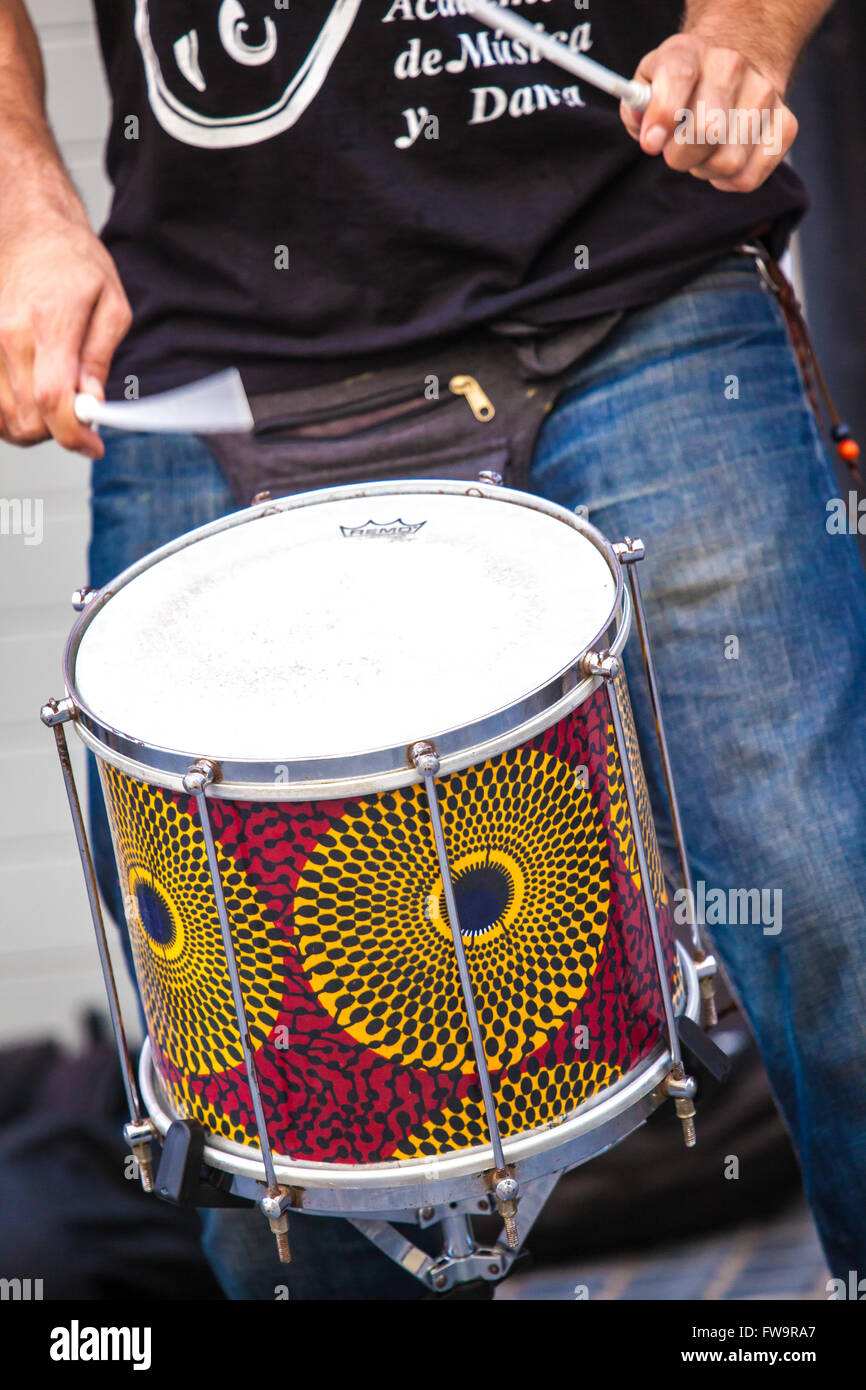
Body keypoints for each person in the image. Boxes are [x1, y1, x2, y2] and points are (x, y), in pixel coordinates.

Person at [2, 0, 864, 1299]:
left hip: (633, 279)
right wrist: (24, 202)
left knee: (826, 907)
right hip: (219, 351)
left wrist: (745, 27)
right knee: (256, 1080)